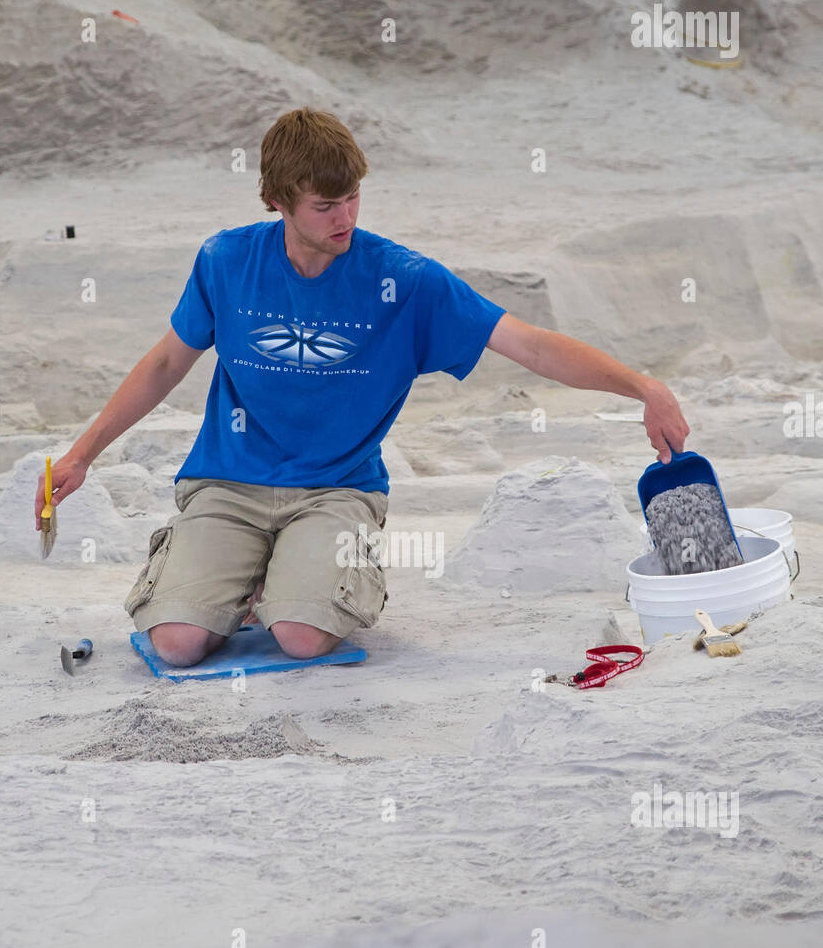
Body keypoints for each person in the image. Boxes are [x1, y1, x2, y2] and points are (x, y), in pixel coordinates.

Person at [35, 107, 689, 668]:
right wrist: (82, 454)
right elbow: (164, 365)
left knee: (300, 638)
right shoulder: (226, 262)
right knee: (176, 643)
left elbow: (530, 344)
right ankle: (243, 572)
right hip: (228, 481)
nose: (344, 217)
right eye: (324, 206)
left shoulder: (403, 278)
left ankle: (304, 577)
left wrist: (641, 387)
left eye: (352, 198)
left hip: (336, 488)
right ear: (278, 201)